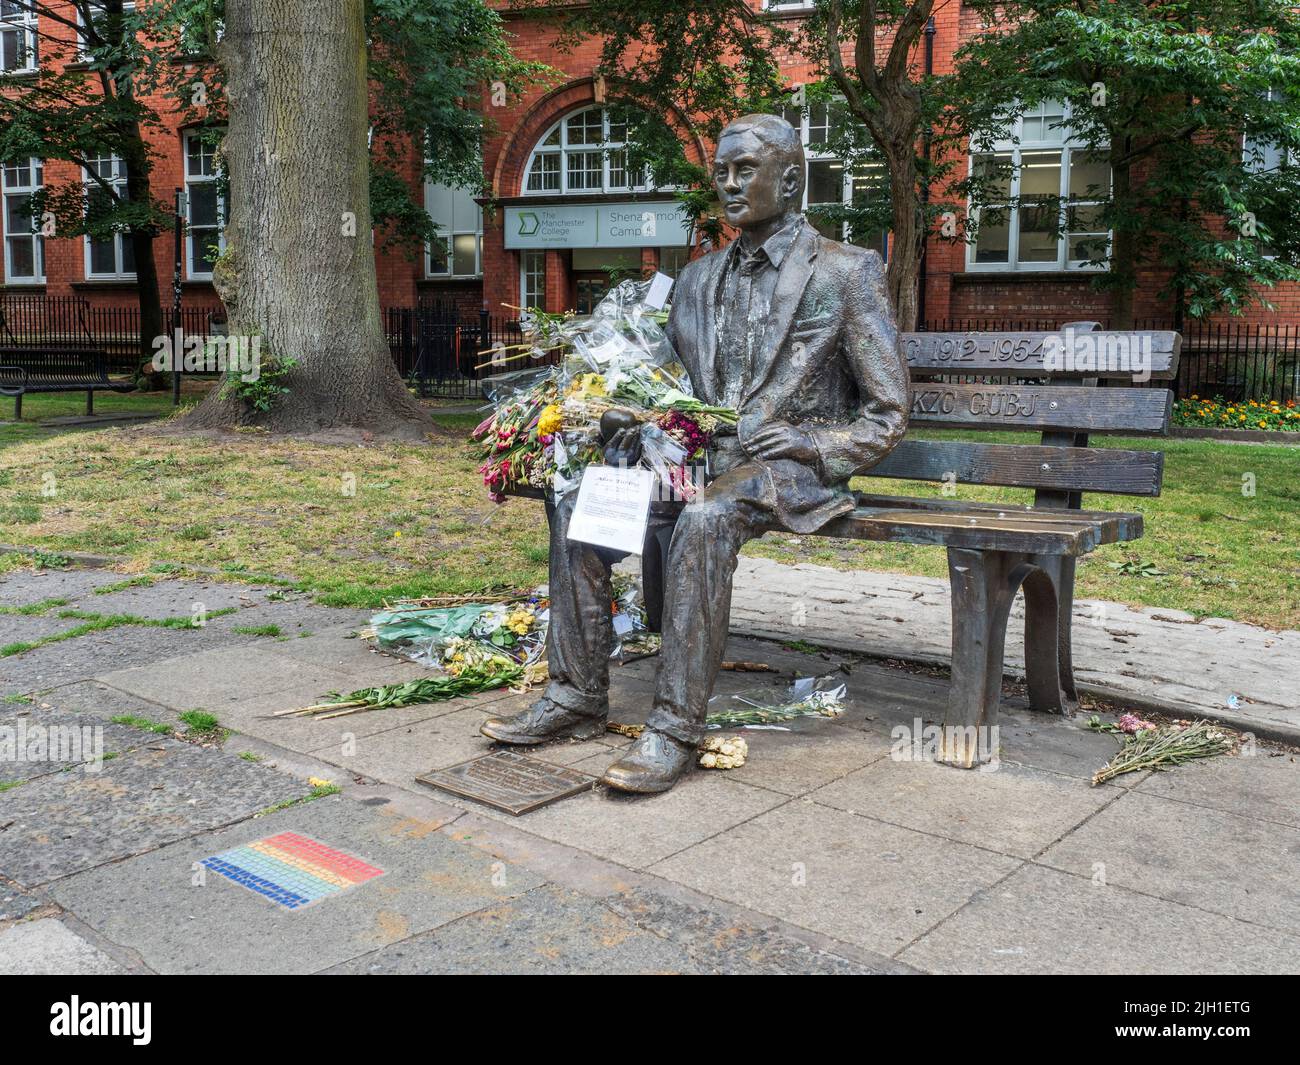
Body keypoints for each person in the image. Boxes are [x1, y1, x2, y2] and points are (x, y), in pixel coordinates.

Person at [482, 113, 910, 793]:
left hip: (784, 470)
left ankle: (674, 727)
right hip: (689, 458)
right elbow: (666, 386)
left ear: (791, 179)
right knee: (576, 501)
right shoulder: (698, 278)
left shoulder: (848, 272)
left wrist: (808, 440)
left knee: (707, 517)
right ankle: (575, 692)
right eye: (722, 172)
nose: (730, 184)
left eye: (747, 170)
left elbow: (887, 416)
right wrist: (626, 409)